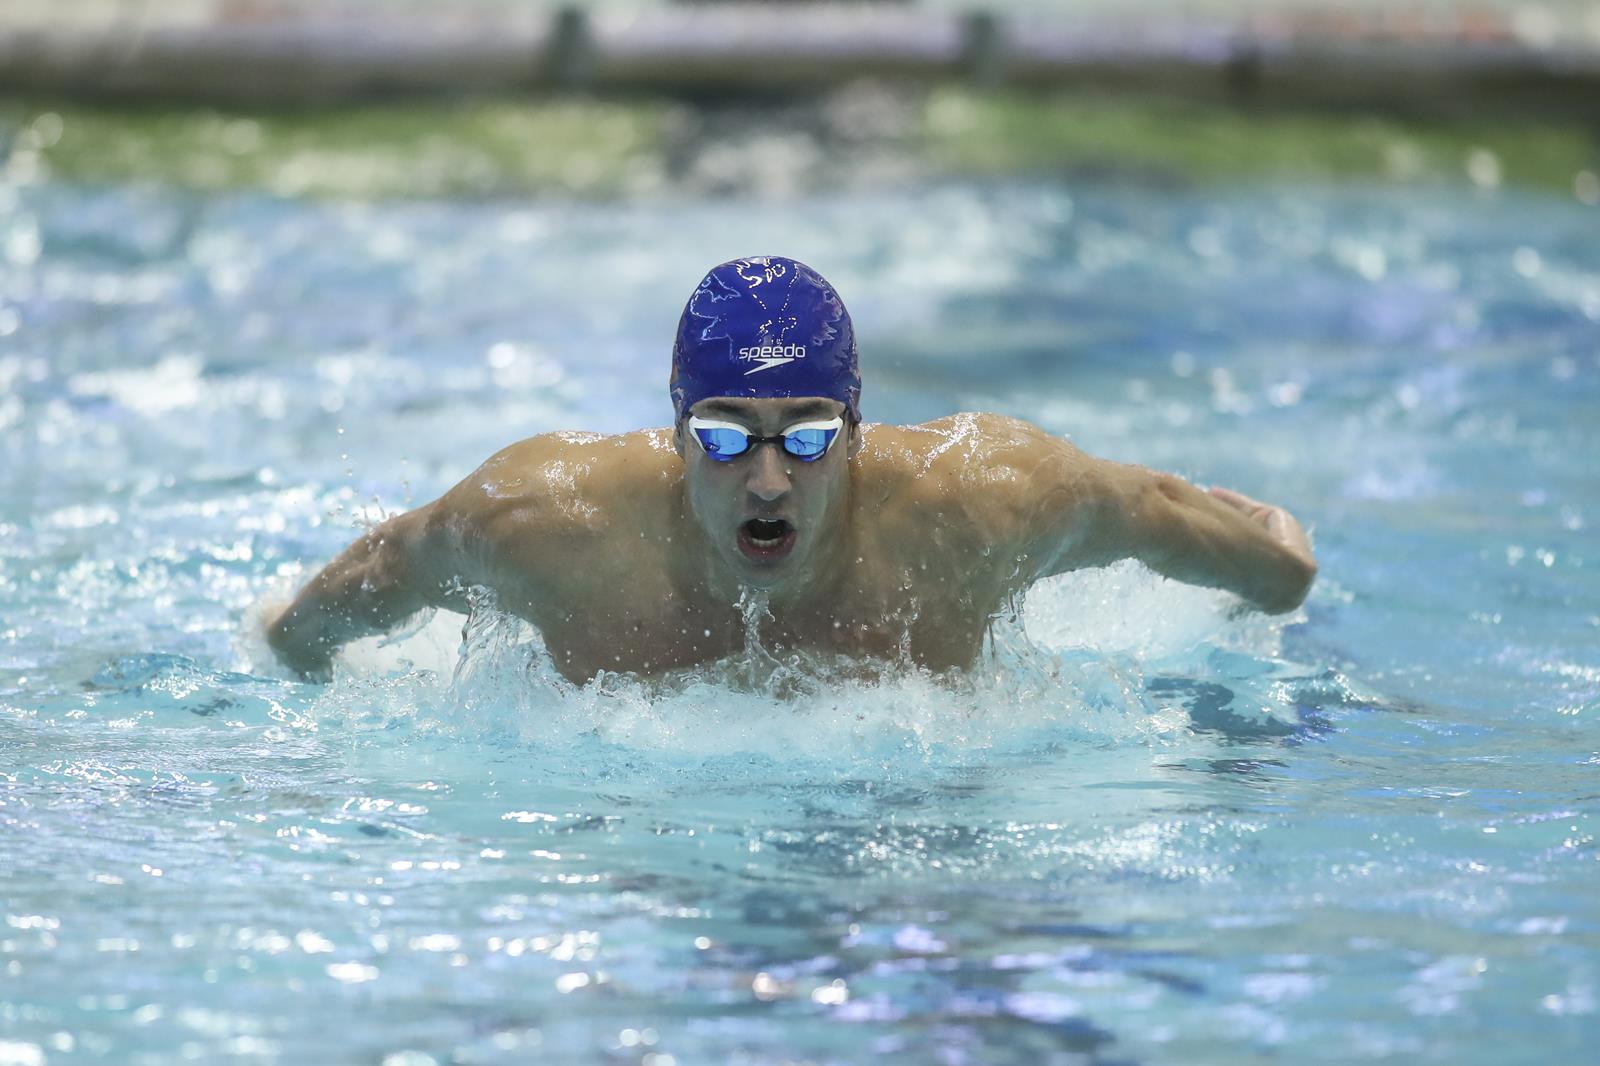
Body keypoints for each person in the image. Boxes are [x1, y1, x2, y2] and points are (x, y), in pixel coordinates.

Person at [267, 256, 1316, 683]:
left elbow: (1141, 506)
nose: (767, 480)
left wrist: (1277, 571)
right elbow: (388, 564)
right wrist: (286, 651)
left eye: (805, 437)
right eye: (725, 437)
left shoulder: (977, 504)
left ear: (857, 432)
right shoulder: (549, 521)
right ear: (675, 435)